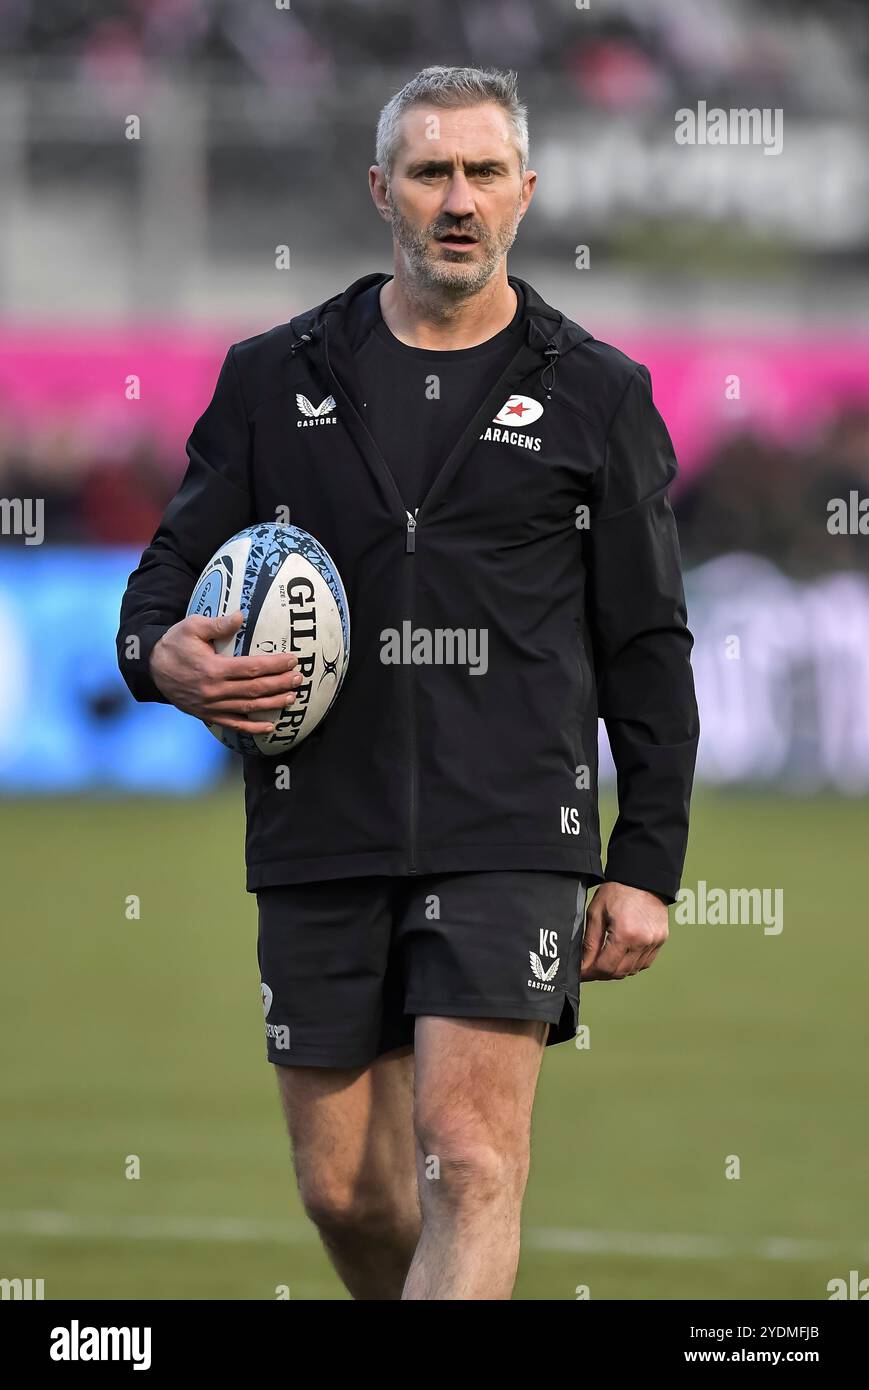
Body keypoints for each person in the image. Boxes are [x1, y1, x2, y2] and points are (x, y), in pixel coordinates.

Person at [117, 65, 699, 1300]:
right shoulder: (273, 375)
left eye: (484, 172)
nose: (458, 198)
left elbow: (647, 643)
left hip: (511, 825)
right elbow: (167, 573)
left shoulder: (597, 392)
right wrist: (154, 654)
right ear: (381, 188)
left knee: (469, 1162)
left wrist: (645, 859)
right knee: (345, 1189)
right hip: (320, 816)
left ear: (525, 193)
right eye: (431, 171)